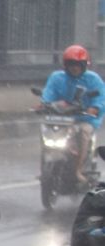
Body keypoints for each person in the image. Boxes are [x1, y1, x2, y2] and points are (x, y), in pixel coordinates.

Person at [41, 44, 105, 184]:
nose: (74, 67)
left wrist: (95, 107)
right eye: (71, 64)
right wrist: (44, 104)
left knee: (83, 132)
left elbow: (101, 97)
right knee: (47, 130)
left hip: (85, 119)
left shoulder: (93, 79)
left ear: (84, 65)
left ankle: (79, 170)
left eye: (78, 64)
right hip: (61, 119)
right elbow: (48, 94)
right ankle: (47, 159)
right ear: (66, 65)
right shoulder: (56, 78)